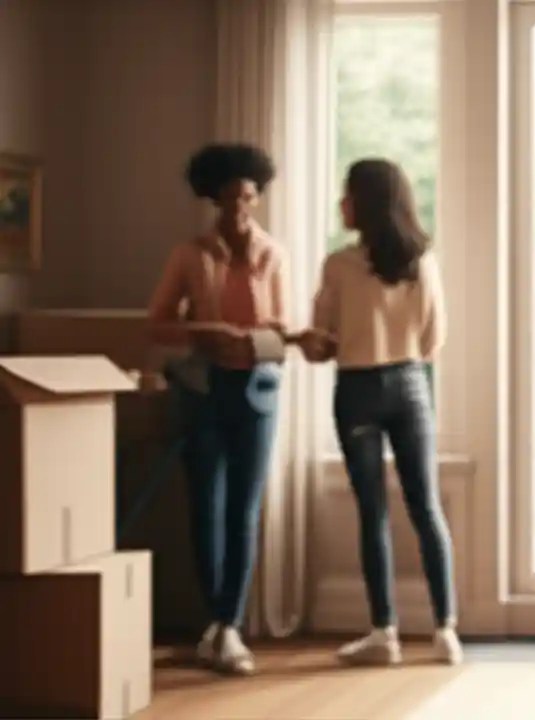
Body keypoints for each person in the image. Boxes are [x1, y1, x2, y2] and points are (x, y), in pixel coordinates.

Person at [299, 158, 461, 666]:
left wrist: (309, 341)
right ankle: (445, 631)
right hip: (410, 385)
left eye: (347, 194)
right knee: (425, 506)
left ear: (364, 202)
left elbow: (321, 344)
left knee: (373, 512)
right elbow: (433, 340)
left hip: (358, 390)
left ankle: (383, 632)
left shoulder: (339, 264)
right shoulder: (422, 260)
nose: (341, 204)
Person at [148, 143, 288, 675]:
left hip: (257, 391)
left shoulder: (274, 254)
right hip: (203, 390)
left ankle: (230, 625)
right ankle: (215, 621)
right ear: (212, 198)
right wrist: (204, 332)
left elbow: (283, 331)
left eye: (247, 199)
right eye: (228, 200)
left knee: (243, 509)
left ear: (258, 197)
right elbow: (157, 323)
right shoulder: (189, 255)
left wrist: (256, 340)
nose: (239, 210)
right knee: (205, 505)